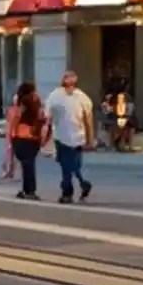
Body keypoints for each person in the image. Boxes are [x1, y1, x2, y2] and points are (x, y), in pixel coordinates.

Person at [44, 70, 94, 204]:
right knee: (69, 165)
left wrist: (90, 139)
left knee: (69, 165)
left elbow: (88, 119)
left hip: (76, 137)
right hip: (62, 136)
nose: (70, 86)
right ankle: (81, 183)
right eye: (68, 83)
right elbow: (48, 118)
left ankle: (67, 192)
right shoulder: (55, 96)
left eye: (73, 83)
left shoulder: (81, 97)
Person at [5, 82, 45, 200]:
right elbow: (41, 118)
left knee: (26, 164)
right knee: (29, 164)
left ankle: (29, 190)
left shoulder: (22, 103)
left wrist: (10, 137)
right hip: (34, 137)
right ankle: (28, 189)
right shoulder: (36, 102)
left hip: (21, 136)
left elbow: (15, 119)